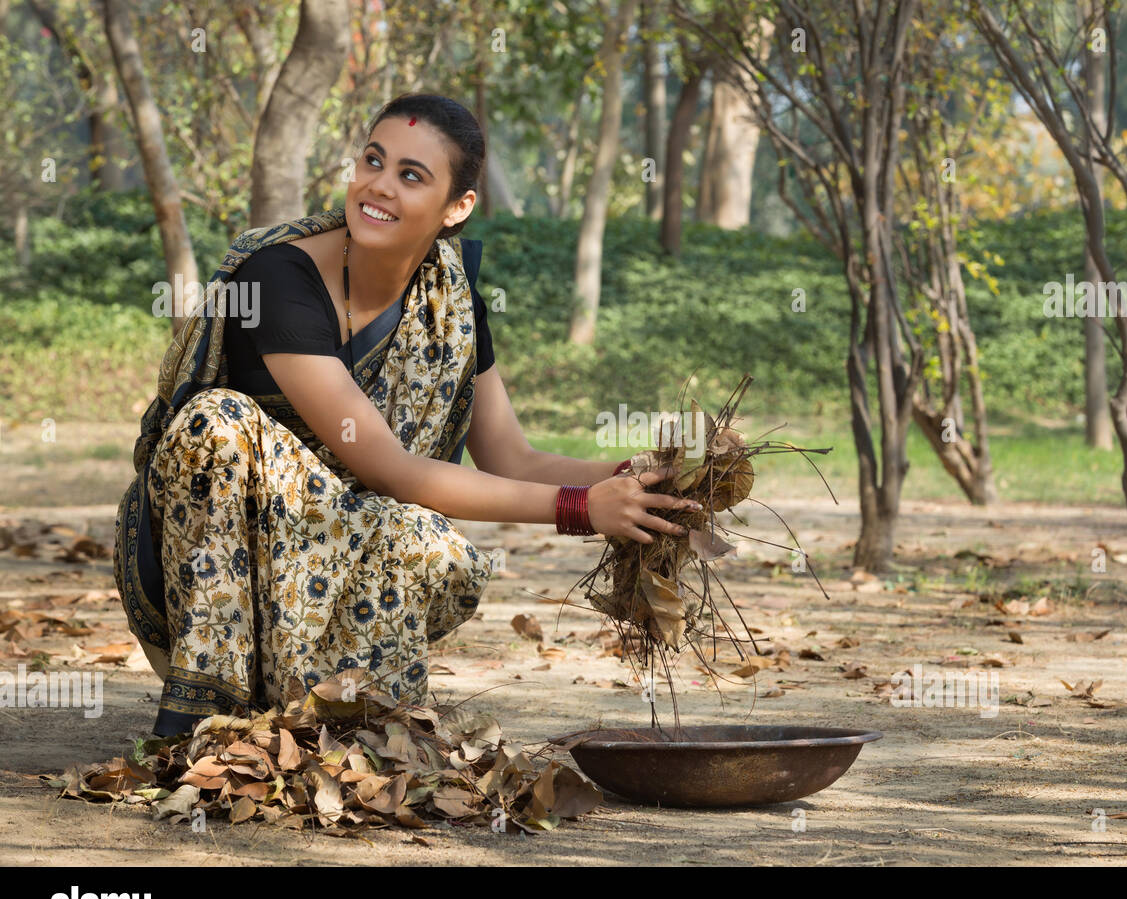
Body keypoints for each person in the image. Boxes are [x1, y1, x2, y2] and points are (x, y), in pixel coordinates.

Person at [112, 92, 702, 737]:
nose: (378, 186)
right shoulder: (278, 276)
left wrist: (648, 476)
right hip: (211, 572)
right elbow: (391, 468)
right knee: (214, 423)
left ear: (458, 208)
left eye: (410, 175)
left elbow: (513, 458)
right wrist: (577, 509)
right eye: (373, 160)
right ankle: (205, 720)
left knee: (423, 541)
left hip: (348, 563)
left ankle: (342, 721)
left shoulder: (450, 303)